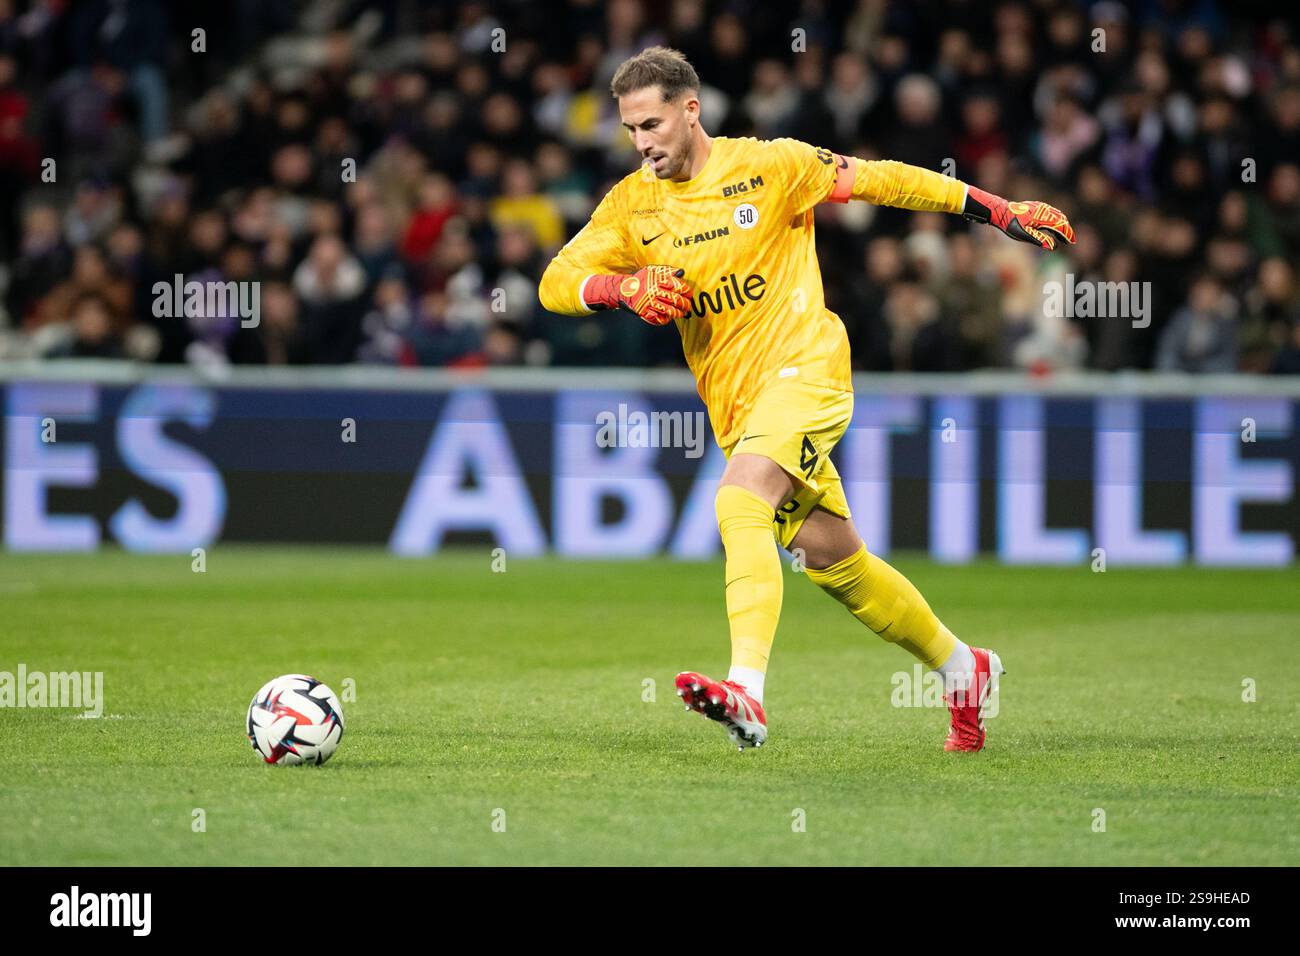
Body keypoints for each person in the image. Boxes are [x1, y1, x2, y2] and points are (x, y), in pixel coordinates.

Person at [538, 47, 1075, 752]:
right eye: (631, 130)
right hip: (738, 407)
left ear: (690, 110)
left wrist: (994, 209)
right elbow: (555, 282)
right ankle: (963, 668)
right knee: (837, 564)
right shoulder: (633, 205)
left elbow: (883, 180)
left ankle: (748, 693)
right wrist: (620, 288)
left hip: (808, 369)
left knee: (737, 502)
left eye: (652, 124)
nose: (642, 143)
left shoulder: (771, 165)